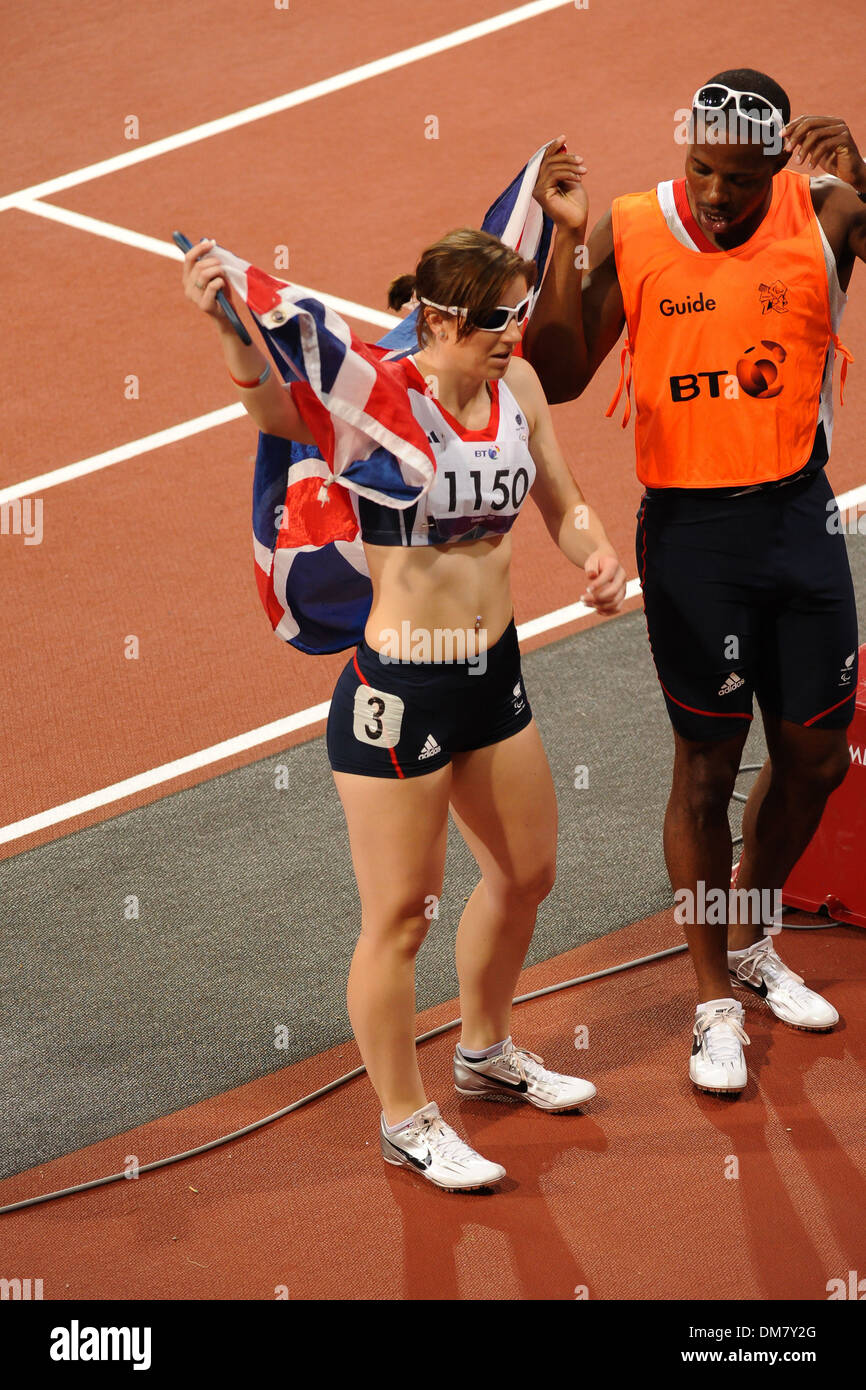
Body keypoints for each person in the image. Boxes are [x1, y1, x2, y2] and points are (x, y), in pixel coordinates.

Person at [182, 225, 627, 1189]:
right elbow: (271, 407)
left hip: (493, 676)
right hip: (400, 689)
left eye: (521, 311)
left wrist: (593, 550)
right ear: (438, 318)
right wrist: (229, 327)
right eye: (497, 319)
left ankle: (484, 1051)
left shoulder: (519, 391)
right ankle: (404, 1116)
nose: (517, 332)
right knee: (399, 916)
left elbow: (563, 497)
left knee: (527, 873)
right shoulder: (381, 404)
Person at [524, 72, 865, 1096]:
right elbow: (560, 368)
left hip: (798, 523)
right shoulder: (632, 227)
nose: (714, 194)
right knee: (705, 773)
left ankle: (754, 935)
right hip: (690, 540)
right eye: (699, 169)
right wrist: (563, 241)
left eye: (737, 177)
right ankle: (713, 996)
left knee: (813, 758)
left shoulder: (828, 214)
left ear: (779, 167)